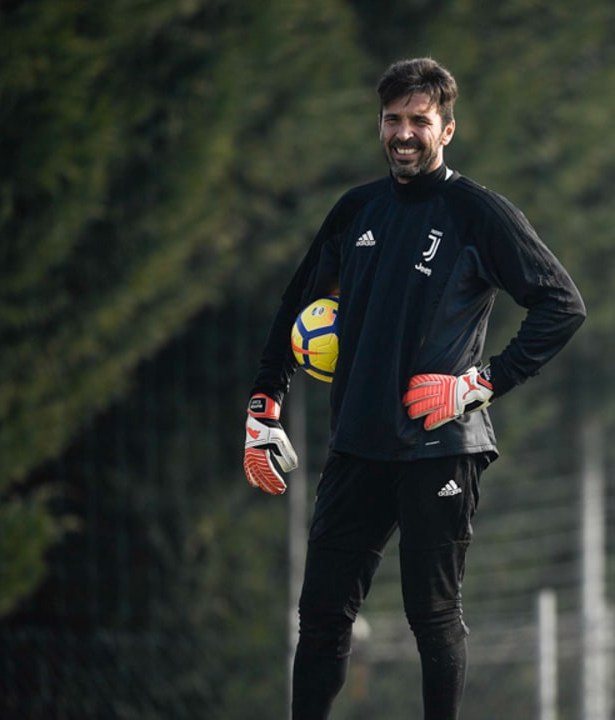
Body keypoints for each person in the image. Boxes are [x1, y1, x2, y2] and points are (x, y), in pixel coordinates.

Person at [242, 57, 586, 720]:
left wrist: (478, 386)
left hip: (441, 445)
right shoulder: (357, 209)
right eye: (393, 119)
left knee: (433, 616)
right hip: (358, 445)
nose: (404, 132)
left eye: (419, 121)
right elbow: (296, 303)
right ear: (380, 124)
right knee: (319, 619)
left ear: (446, 130)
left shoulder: (478, 213)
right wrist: (264, 406)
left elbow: (561, 305)